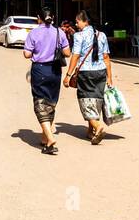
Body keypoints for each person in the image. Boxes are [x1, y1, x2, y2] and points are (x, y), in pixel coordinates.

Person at [23, 10, 71, 155]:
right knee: (51, 102)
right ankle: (45, 138)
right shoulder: (59, 32)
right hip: (55, 71)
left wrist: (39, 50)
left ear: (39, 18)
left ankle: (50, 139)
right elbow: (67, 53)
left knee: (40, 103)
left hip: (40, 70)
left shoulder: (34, 33)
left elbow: (27, 54)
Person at [65, 12, 113, 144]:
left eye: (77, 21)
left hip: (86, 73)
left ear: (85, 22)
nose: (76, 24)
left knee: (85, 100)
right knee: (97, 99)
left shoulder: (79, 36)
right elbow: (106, 57)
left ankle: (98, 126)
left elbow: (75, 56)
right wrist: (109, 78)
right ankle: (90, 130)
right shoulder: (101, 35)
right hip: (100, 72)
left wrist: (68, 75)